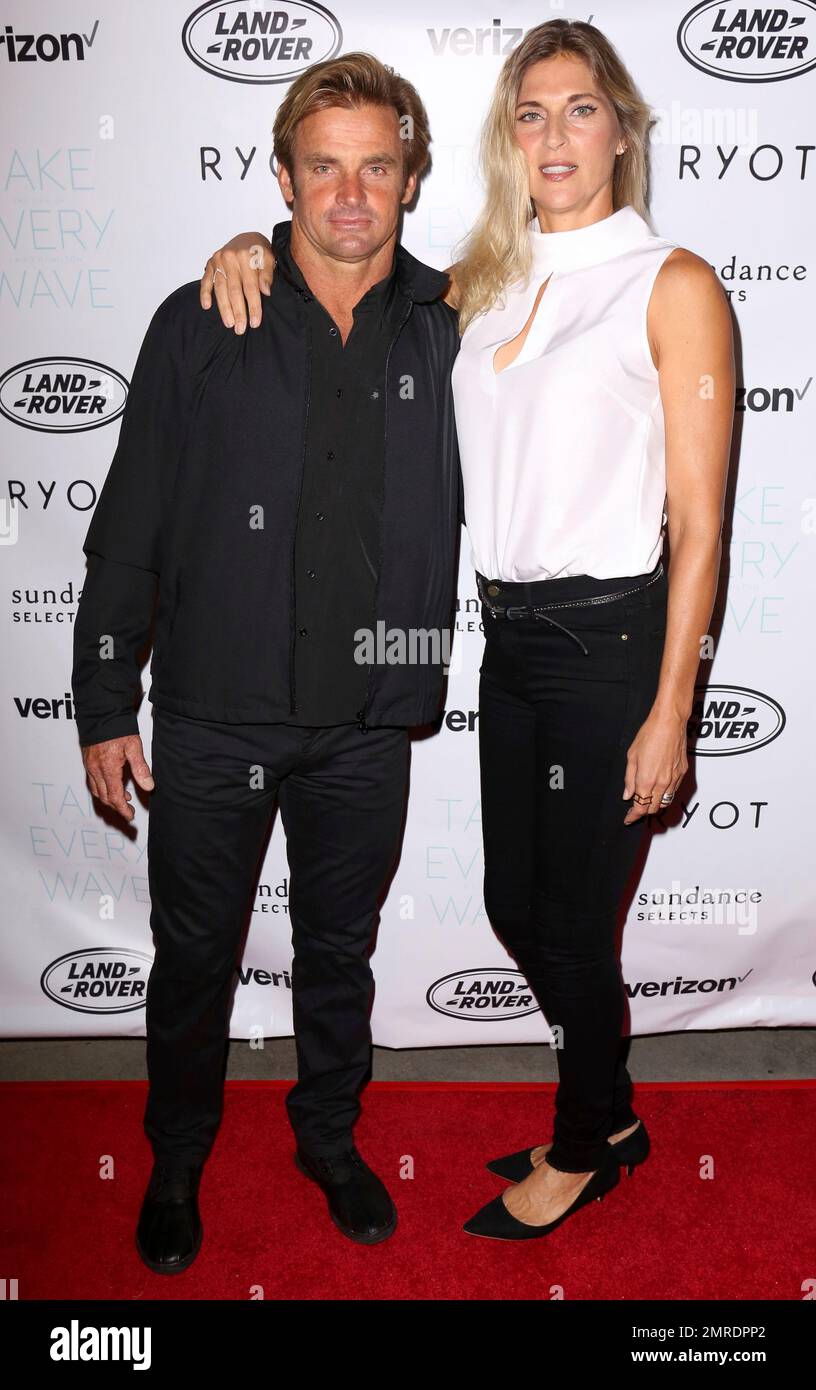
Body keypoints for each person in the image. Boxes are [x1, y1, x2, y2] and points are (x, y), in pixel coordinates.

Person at [200, 20, 734, 1242]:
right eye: (531, 113)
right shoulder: (483, 284)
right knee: (513, 903)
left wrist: (674, 710)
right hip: (512, 641)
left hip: (614, 643)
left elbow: (700, 528)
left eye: (581, 108)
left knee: (571, 922)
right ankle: (613, 1102)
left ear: (623, 129)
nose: (556, 134)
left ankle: (583, 1140)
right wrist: (248, 246)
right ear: (509, 138)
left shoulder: (674, 282)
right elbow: (346, 265)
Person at [71, 52, 462, 1271]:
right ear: (283, 178)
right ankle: (177, 1158)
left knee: (338, 953)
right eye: (324, 167)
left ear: (411, 176)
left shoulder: (460, 323)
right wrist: (100, 698)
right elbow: (130, 523)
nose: (352, 193)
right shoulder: (202, 320)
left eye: (377, 167)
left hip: (367, 720)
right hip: (216, 712)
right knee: (194, 954)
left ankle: (329, 1139)